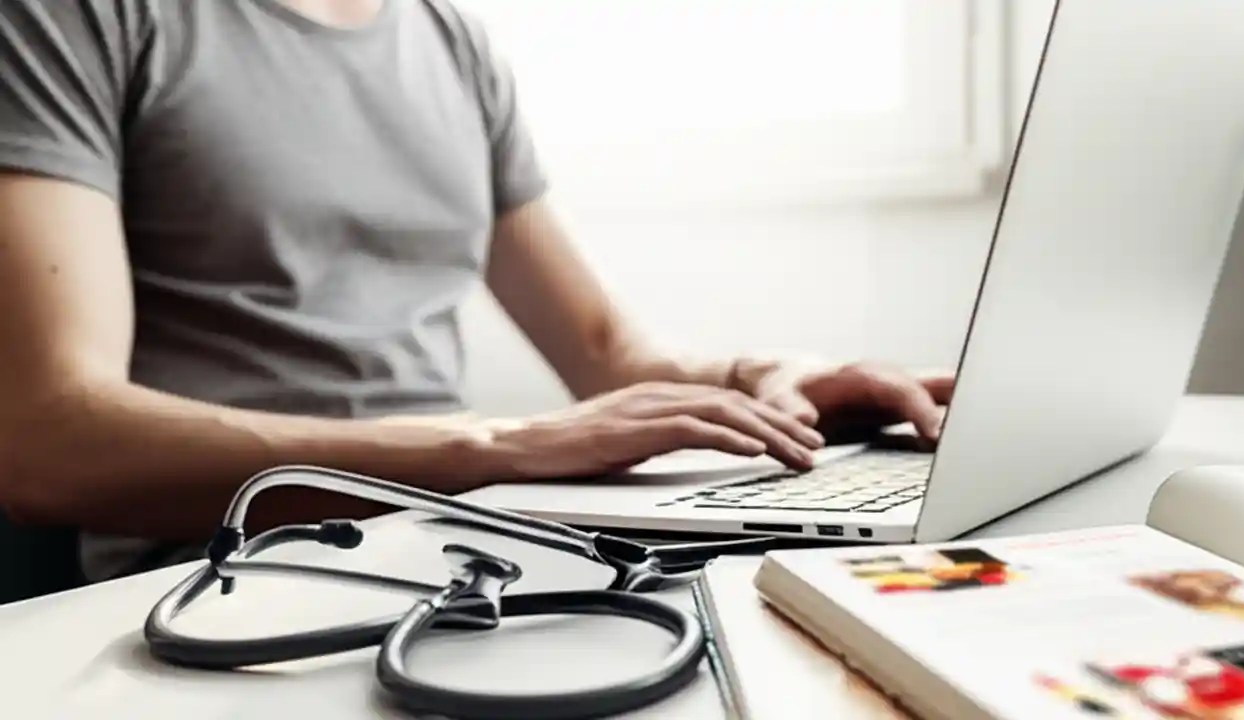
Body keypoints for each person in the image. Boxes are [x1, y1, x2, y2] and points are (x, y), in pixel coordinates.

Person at [0, 0, 954, 582]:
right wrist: (498, 447)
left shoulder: (450, 39)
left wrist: (769, 377)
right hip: (232, 568)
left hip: (453, 535)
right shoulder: (75, 17)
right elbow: (49, 444)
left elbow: (611, 356)